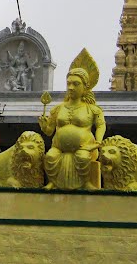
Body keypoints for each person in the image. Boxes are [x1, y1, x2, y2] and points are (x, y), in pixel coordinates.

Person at [38, 49, 106, 190]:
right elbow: (50, 131)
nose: (71, 87)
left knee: (83, 158)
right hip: (59, 148)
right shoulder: (58, 109)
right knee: (50, 157)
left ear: (85, 87)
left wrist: (98, 142)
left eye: (76, 84)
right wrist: (45, 126)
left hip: (84, 148)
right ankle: (53, 182)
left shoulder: (92, 109)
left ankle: (86, 183)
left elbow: (101, 125)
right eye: (68, 83)